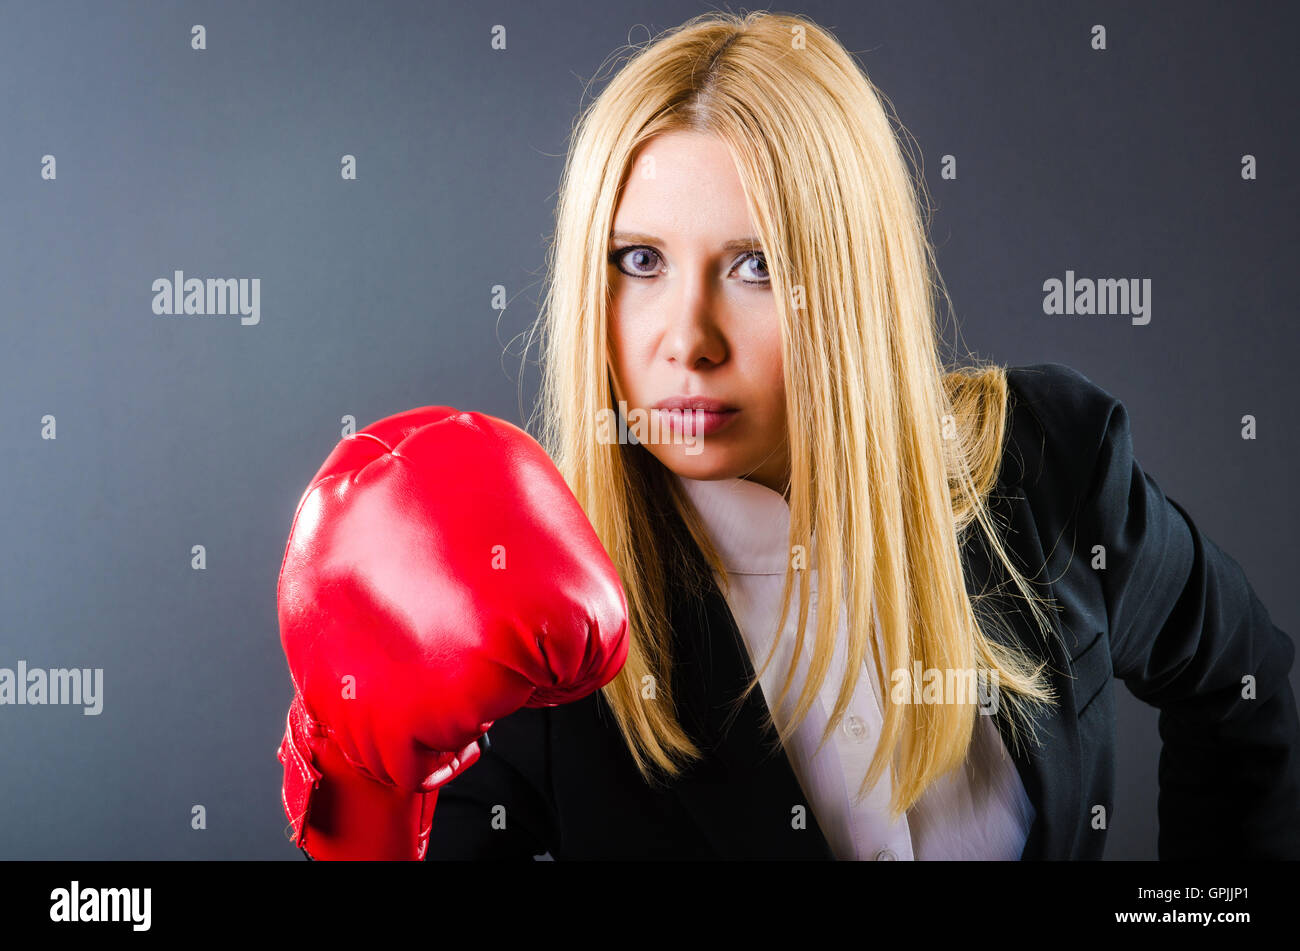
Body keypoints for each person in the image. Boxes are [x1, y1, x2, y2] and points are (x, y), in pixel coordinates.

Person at [420, 10, 1300, 860]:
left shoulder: (1051, 464)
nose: (688, 339)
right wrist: (356, 777)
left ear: (851, 278)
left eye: (757, 265)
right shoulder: (532, 625)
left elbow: (1244, 689)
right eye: (639, 261)